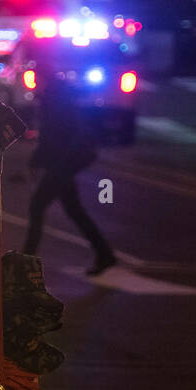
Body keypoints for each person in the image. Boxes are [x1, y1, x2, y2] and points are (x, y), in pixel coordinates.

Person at [23, 77, 117, 275]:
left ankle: (26, 262)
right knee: (74, 210)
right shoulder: (58, 99)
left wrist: (37, 162)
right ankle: (105, 253)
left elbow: (51, 139)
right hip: (66, 163)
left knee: (37, 206)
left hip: (63, 164)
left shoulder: (52, 102)